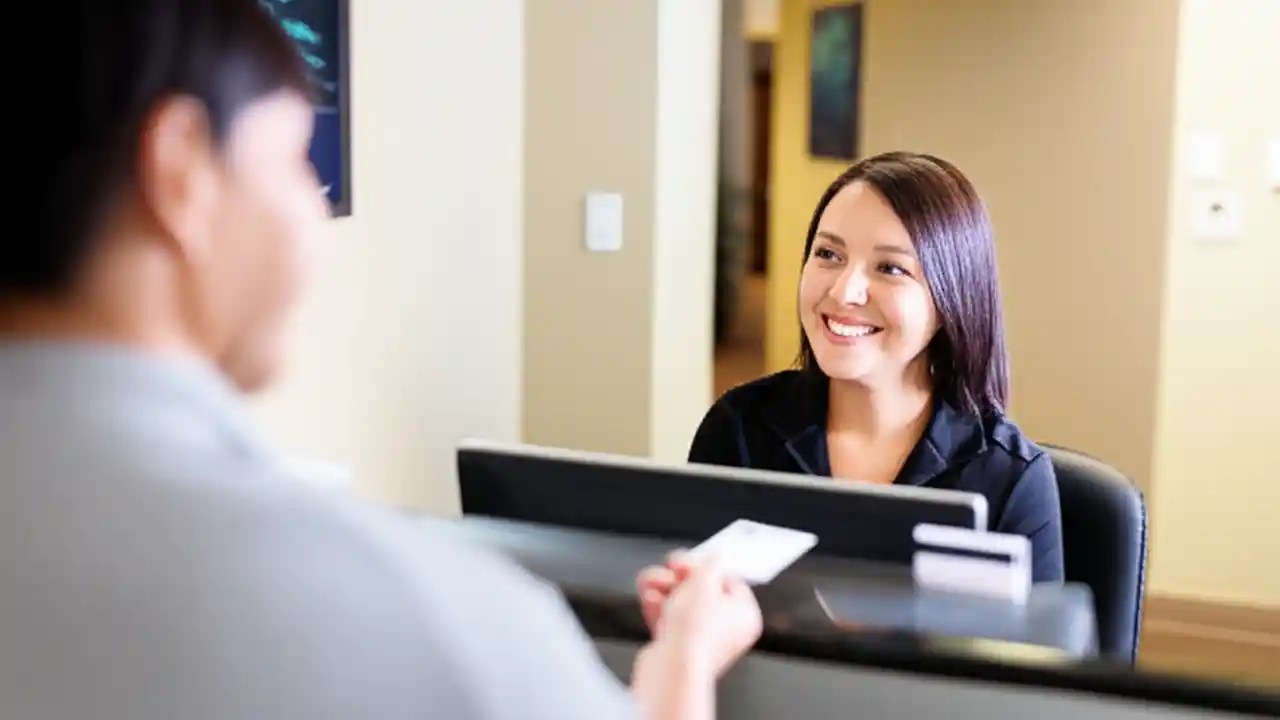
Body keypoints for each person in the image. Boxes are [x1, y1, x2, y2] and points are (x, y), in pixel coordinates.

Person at [0, 2, 761, 718]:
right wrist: (683, 666)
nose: (315, 215)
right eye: (298, 159)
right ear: (181, 170)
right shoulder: (439, 623)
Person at [690, 152, 1064, 583]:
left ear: (951, 299)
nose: (844, 291)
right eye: (828, 253)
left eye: (890, 267)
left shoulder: (1011, 479)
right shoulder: (738, 430)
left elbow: (1032, 644)